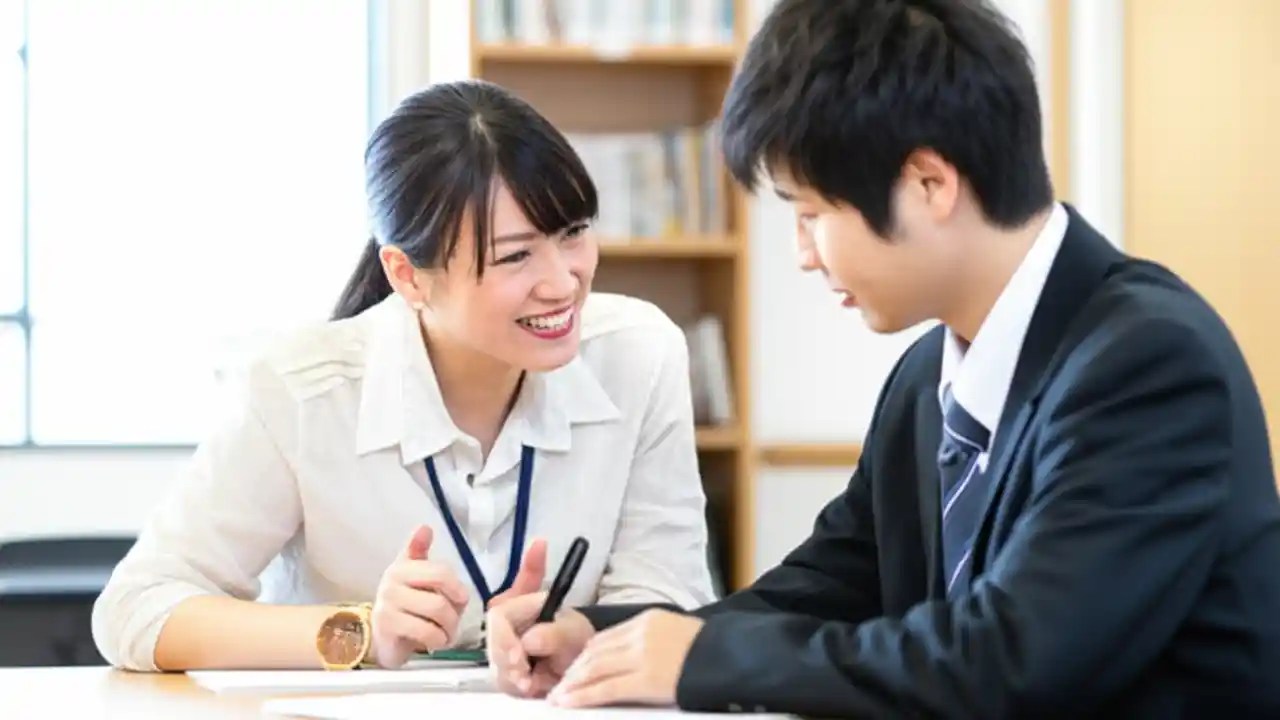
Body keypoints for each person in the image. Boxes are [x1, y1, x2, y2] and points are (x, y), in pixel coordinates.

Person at [484, 0, 1280, 716]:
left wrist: (705, 661)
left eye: (812, 213)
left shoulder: (1148, 363)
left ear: (929, 182)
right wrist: (607, 637)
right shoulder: (931, 373)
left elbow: (1015, 662)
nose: (802, 254)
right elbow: (833, 586)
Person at [91, 80, 716, 673]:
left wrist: (582, 630)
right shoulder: (302, 391)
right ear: (408, 275)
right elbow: (136, 609)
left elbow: (668, 595)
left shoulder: (640, 355)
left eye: (573, 232)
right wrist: (358, 631)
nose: (562, 283)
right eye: (516, 256)